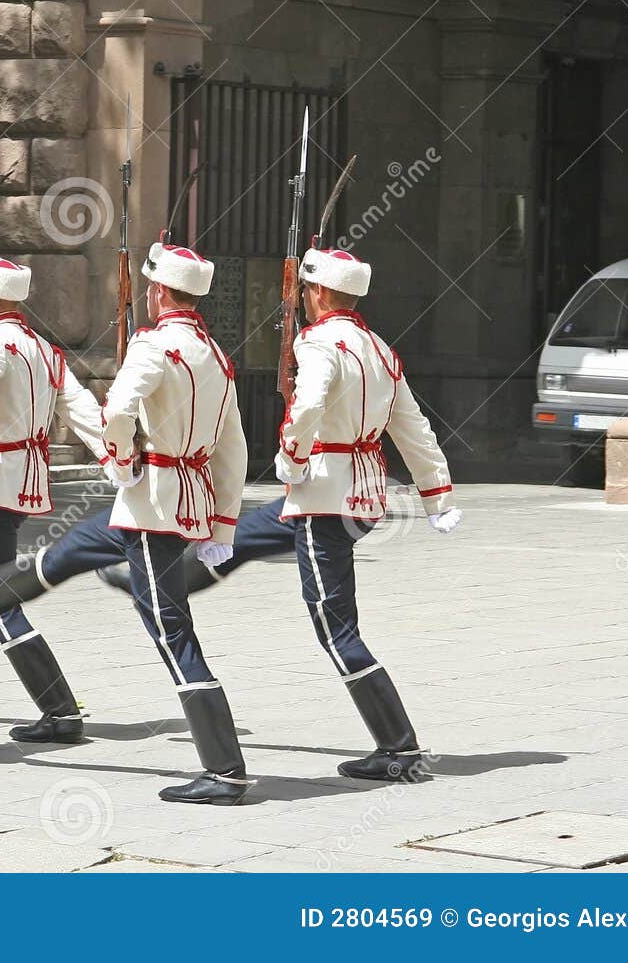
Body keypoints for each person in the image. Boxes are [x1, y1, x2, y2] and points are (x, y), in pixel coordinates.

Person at [99, 245, 461, 781]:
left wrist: (291, 457)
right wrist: (436, 494)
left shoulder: (316, 343)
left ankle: (396, 747)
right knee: (265, 540)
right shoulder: (381, 350)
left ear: (317, 293)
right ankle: (202, 565)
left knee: (333, 626)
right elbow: (412, 426)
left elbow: (309, 404)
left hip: (319, 497)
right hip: (361, 497)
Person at [0, 244, 251, 804]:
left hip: (152, 505)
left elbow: (119, 412)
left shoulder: (155, 346)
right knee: (66, 552)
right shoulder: (214, 355)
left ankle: (224, 770)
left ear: (157, 292)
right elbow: (233, 446)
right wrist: (221, 523)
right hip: (174, 501)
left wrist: (122, 462)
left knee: (172, 632)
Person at [0, 256, 107, 743]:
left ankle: (59, 711)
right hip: (22, 481)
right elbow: (81, 407)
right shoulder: (43, 348)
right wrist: (114, 453)